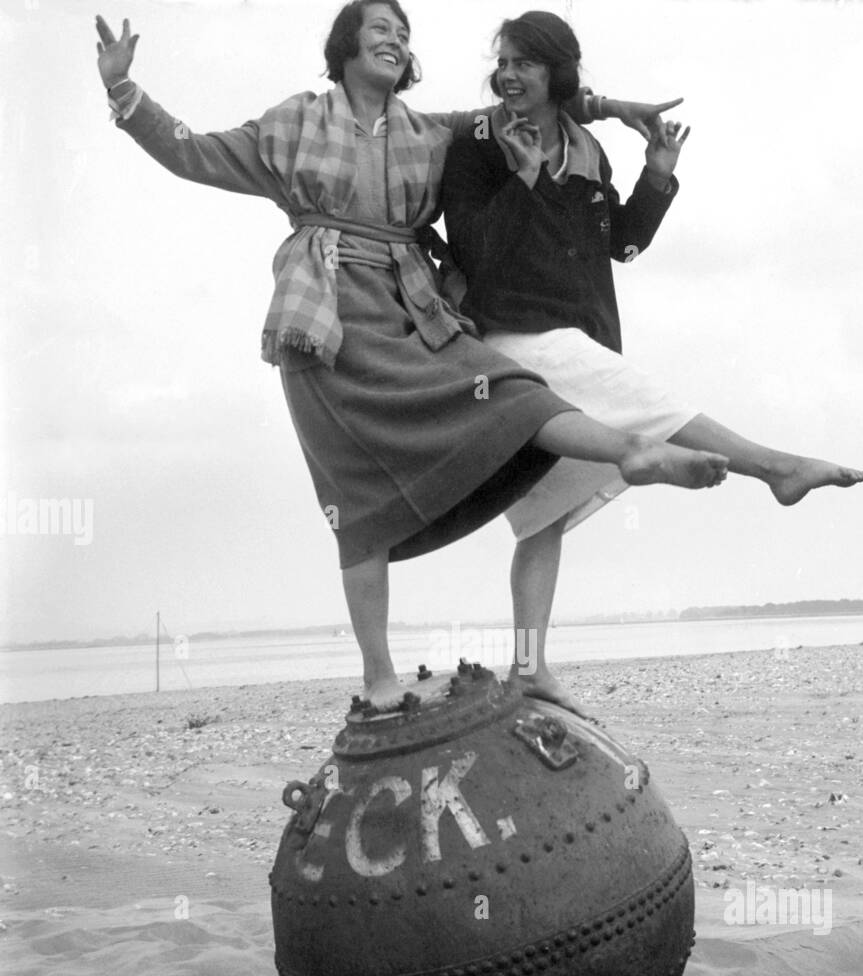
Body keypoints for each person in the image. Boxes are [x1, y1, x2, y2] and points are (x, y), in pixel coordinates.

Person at [94, 4, 728, 711]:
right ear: (345, 48)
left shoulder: (428, 133)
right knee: (356, 504)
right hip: (324, 321)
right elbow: (193, 151)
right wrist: (125, 92)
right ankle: (378, 678)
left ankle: (633, 449)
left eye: (403, 34)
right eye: (380, 31)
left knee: (510, 388)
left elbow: (526, 102)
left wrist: (613, 108)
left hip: (413, 311)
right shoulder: (293, 123)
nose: (395, 40)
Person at [442, 10, 863, 714]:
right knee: (654, 406)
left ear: (558, 73)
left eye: (525, 62)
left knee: (542, 517)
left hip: (580, 340)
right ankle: (775, 468)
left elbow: (625, 244)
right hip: (514, 336)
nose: (509, 74)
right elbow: (477, 252)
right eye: (505, 61)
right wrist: (521, 181)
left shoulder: (586, 150)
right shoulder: (476, 146)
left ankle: (527, 668)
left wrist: (658, 176)